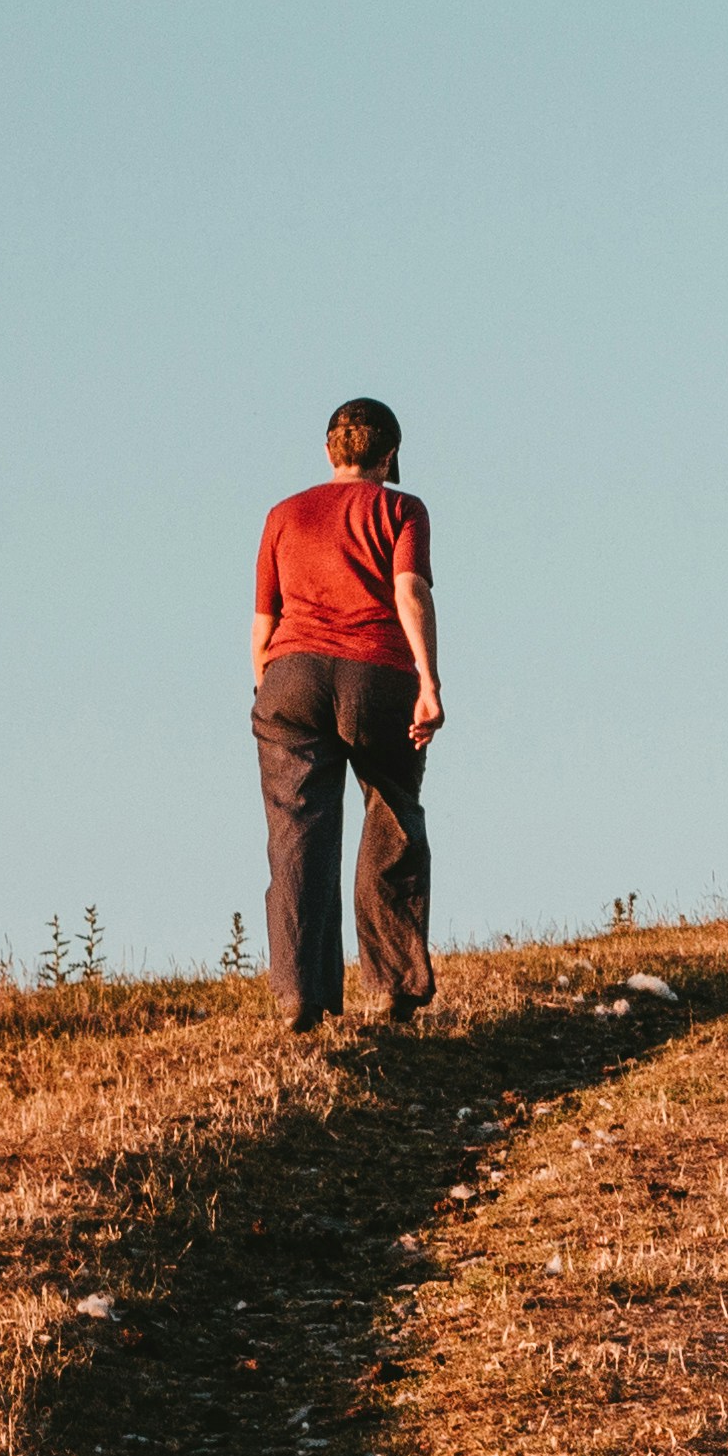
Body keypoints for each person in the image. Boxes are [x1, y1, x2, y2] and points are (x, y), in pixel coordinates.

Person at [252, 397, 446, 1028]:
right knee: (391, 811)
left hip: (291, 676)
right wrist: (429, 682)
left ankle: (299, 999)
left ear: (330, 451)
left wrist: (270, 689)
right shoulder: (401, 508)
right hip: (377, 677)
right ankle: (395, 986)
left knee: (297, 836)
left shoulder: (284, 514)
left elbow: (263, 624)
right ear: (388, 456)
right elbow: (409, 590)